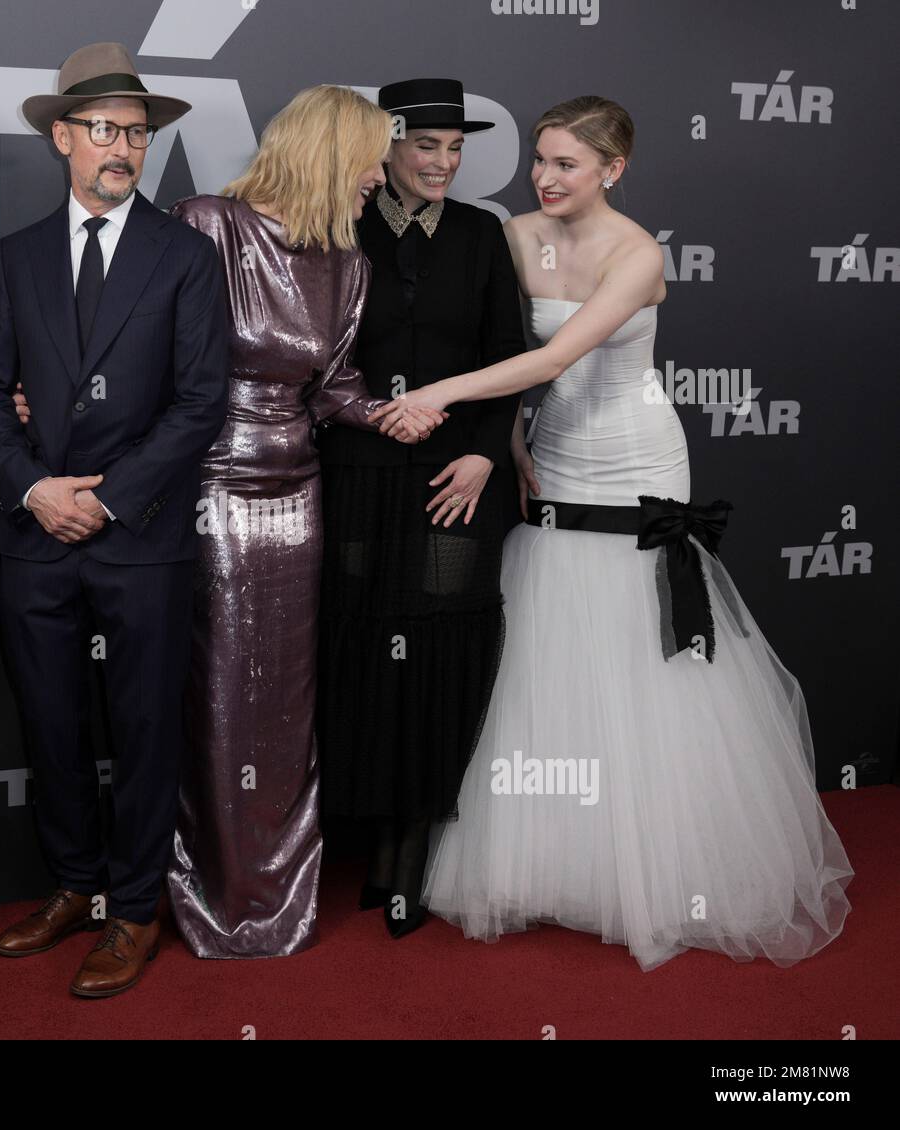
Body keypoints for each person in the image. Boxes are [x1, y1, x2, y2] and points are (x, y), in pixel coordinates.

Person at [372, 96, 853, 970]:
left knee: (636, 646)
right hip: (550, 457)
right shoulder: (513, 236)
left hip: (635, 463)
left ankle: (654, 865)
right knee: (549, 636)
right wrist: (510, 441)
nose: (545, 178)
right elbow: (506, 350)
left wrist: (438, 395)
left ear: (613, 171)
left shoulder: (638, 254)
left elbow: (556, 358)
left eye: (567, 165)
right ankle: (556, 855)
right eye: (540, 161)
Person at [0, 43, 229, 998]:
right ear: (62, 137)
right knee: (50, 722)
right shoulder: (18, 256)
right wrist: (36, 490)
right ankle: (74, 885)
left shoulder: (186, 257)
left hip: (141, 535)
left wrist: (108, 497)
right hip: (35, 534)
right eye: (106, 130)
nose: (124, 148)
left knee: (147, 725)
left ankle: (135, 908)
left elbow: (200, 403)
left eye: (139, 133)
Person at [163, 85, 446, 959]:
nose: (380, 174)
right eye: (370, 155)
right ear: (329, 151)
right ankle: (216, 891)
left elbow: (330, 389)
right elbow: (152, 356)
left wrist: (391, 414)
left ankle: (280, 894)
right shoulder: (210, 223)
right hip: (209, 489)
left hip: (299, 496)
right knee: (218, 697)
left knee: (285, 701)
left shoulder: (347, 262)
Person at [315, 78, 525, 938]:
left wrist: (482, 451)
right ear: (385, 147)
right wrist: (369, 418)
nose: (442, 163)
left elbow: (506, 356)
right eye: (424, 146)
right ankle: (370, 833)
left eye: (455, 149)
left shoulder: (482, 234)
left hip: (454, 479)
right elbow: (318, 353)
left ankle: (416, 842)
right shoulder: (342, 224)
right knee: (365, 641)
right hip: (361, 471)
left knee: (439, 646)